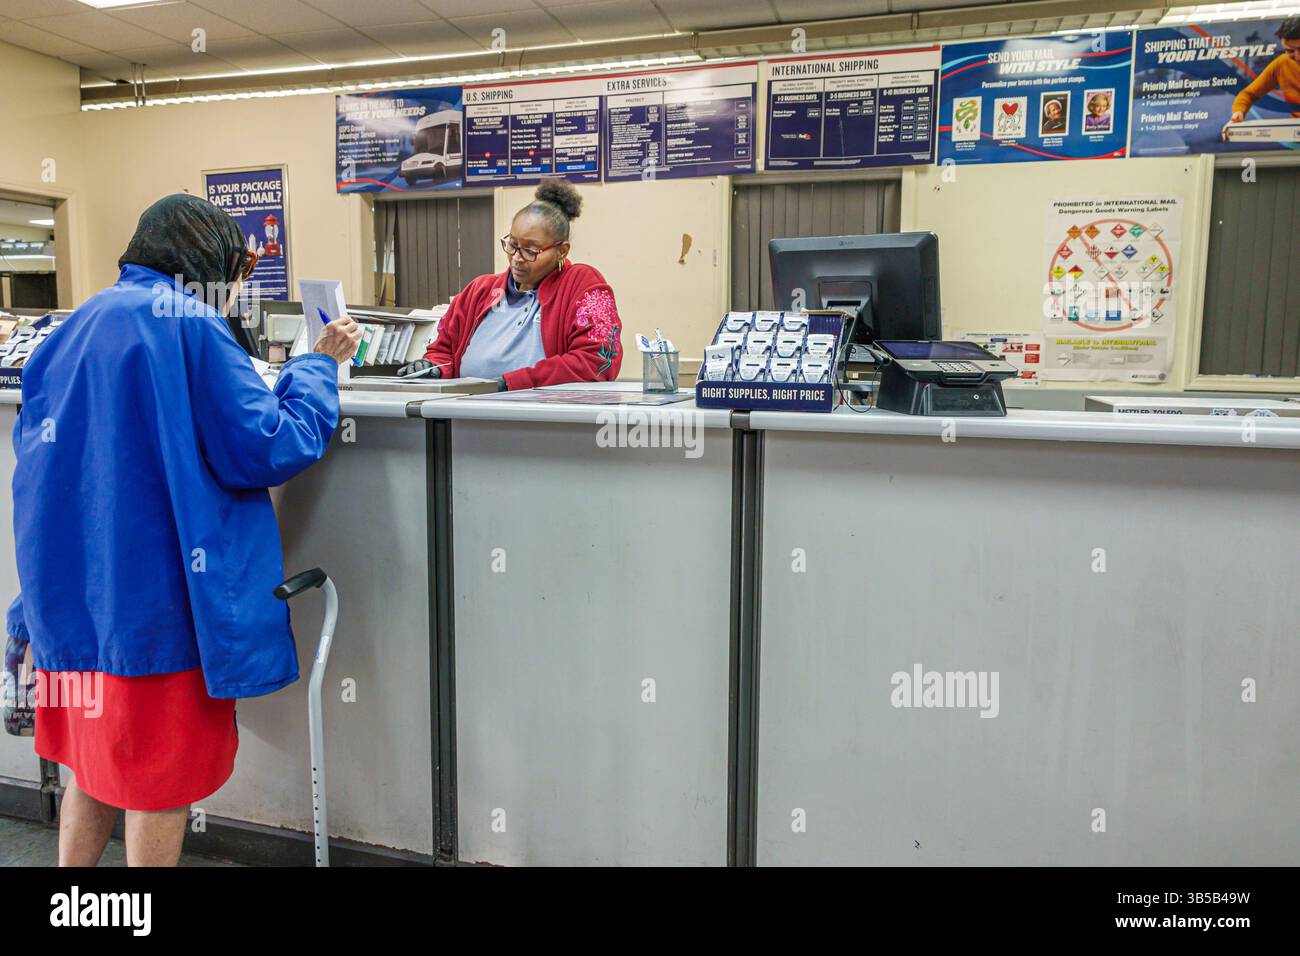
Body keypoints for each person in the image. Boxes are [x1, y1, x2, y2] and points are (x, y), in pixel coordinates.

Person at [7, 193, 360, 866]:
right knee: (159, 784)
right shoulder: (191, 325)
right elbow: (267, 445)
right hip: (159, 613)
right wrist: (317, 367)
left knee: (93, 767)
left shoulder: (75, 325)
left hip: (71, 607)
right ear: (207, 261)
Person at [397, 178, 623, 389]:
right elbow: (444, 349)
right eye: (512, 245)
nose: (516, 257)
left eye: (530, 250)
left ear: (561, 250)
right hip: (465, 412)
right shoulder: (480, 290)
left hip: (543, 418)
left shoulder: (582, 284)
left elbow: (598, 360)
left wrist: (511, 383)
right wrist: (433, 367)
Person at [1224, 16, 1300, 137]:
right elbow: (1248, 94)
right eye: (1290, 51)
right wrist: (1237, 114)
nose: (1297, 57)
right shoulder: (1281, 64)